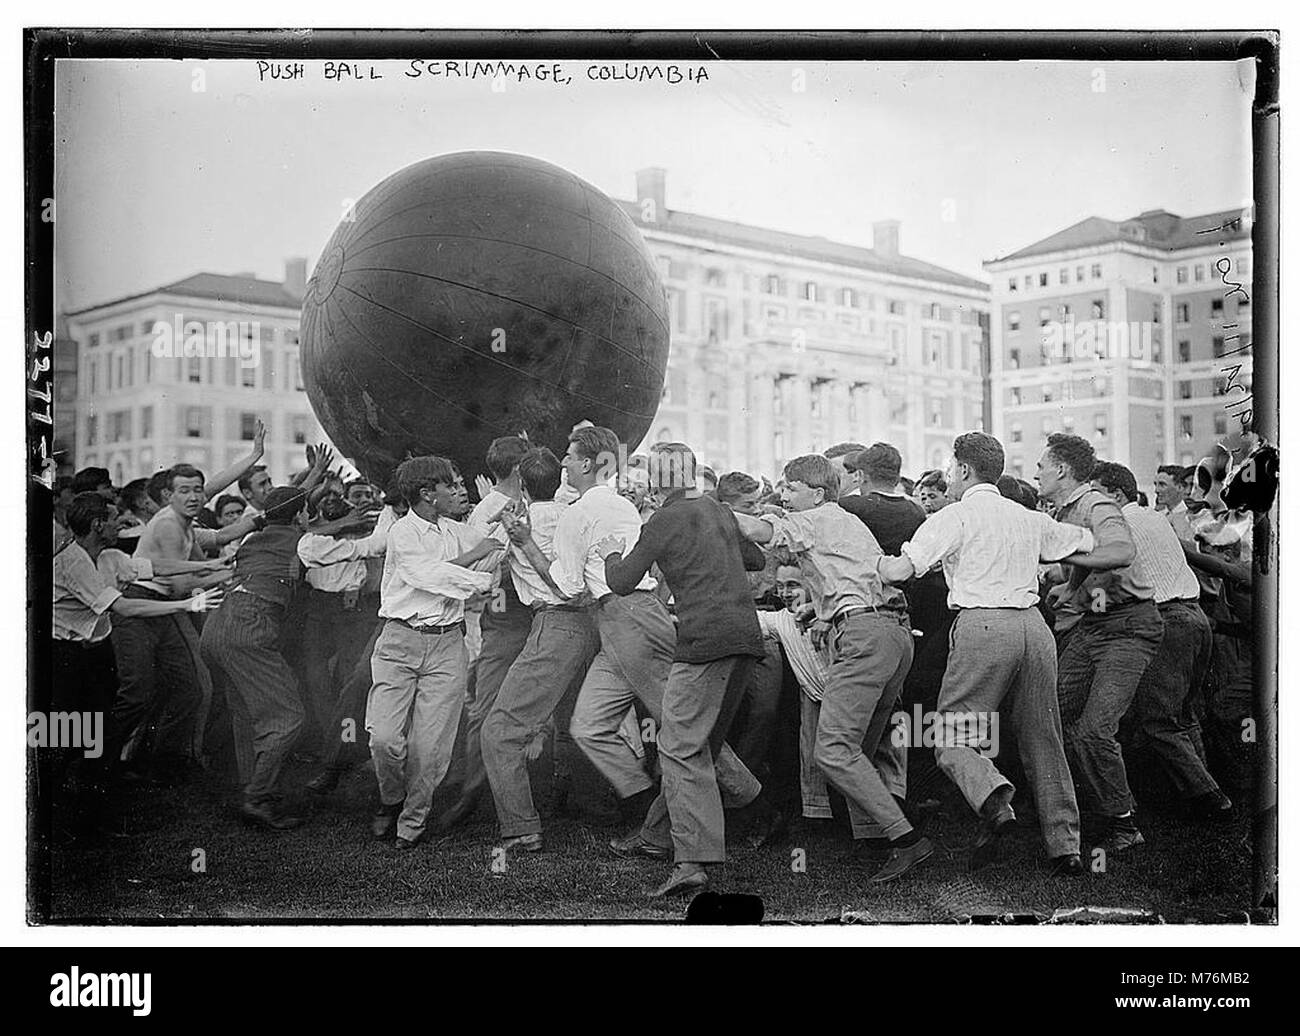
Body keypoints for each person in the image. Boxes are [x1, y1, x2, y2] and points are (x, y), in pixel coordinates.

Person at [877, 432, 1095, 875]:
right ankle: (1066, 846)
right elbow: (1086, 543)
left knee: (951, 738)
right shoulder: (1027, 515)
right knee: (1043, 736)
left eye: (948, 468)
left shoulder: (955, 515)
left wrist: (872, 563)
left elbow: (901, 570)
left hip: (984, 624)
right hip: (1034, 627)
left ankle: (995, 797)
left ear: (961, 470)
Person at [733, 454, 926, 883]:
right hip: (892, 632)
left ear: (817, 493)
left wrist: (713, 509)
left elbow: (761, 530)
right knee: (859, 750)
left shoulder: (816, 518)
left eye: (791, 486)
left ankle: (907, 842)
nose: (783, 494)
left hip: (864, 636)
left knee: (834, 751)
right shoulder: (845, 521)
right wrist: (821, 612)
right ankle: (873, 840)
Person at [596, 441, 766, 897]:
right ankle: (656, 836)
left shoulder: (662, 519)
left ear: (658, 479)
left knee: (679, 748)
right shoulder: (716, 510)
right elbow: (758, 560)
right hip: (745, 640)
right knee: (700, 745)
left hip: (703, 643)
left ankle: (693, 860)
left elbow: (622, 581)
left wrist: (612, 551)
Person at [504, 426, 676, 827]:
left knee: (680, 725)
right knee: (588, 726)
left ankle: (747, 801)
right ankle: (643, 806)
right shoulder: (621, 506)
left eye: (569, 454)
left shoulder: (578, 513)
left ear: (585, 463)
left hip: (627, 618)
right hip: (623, 619)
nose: (562, 461)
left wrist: (527, 541)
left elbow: (566, 587)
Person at [200, 487, 378, 829]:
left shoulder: (256, 538)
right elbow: (331, 541)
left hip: (219, 624)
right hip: (247, 625)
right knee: (288, 716)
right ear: (299, 516)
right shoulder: (301, 539)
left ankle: (253, 786)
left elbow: (303, 529)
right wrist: (352, 524)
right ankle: (257, 797)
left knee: (246, 712)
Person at [50, 493, 226, 831]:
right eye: (115, 519)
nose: (123, 524)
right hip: (64, 657)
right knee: (70, 736)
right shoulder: (73, 561)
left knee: (92, 732)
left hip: (91, 652)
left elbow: (156, 567)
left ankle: (87, 808)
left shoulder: (110, 555)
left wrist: (209, 565)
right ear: (98, 524)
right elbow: (126, 608)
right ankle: (64, 809)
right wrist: (186, 607)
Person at [366, 456, 504, 849]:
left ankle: (412, 821)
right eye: (453, 486)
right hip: (399, 641)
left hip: (447, 645)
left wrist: (504, 533)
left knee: (430, 748)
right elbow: (426, 574)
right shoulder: (401, 532)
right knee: (384, 738)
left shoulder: (456, 531)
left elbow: (492, 548)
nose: (461, 491)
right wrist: (478, 577)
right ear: (428, 494)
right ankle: (391, 799)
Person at [1037, 433, 1163, 853]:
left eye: (1041, 466)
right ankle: (1085, 806)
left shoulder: (1097, 504)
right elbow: (1084, 558)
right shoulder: (1068, 509)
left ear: (1060, 470)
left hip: (1129, 628)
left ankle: (1124, 825)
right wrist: (1068, 585)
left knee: (1094, 730)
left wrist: (1068, 566)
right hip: (1095, 627)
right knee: (1053, 711)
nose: (1036, 473)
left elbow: (1121, 551)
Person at [1089, 462, 1232, 819]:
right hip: (1195, 617)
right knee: (1184, 714)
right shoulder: (1152, 517)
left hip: (1169, 621)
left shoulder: (1120, 524)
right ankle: (1203, 790)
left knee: (1159, 720)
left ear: (1116, 495)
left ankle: (1211, 799)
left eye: (1095, 495)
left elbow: (1107, 579)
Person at [480, 446, 600, 853]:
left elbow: (477, 558)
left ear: (522, 486)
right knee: (574, 721)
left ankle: (522, 827)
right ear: (560, 479)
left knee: (500, 731)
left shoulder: (517, 522)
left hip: (555, 623)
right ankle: (596, 807)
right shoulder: (575, 514)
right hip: (590, 625)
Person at [113, 465, 260, 781]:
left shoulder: (185, 523)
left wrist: (252, 458)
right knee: (149, 690)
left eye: (198, 491)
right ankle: (110, 762)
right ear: (168, 496)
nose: (195, 497)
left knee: (189, 685)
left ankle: (161, 760)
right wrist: (230, 573)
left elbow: (215, 544)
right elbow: (183, 584)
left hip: (164, 607)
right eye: (185, 491)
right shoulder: (167, 525)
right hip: (143, 605)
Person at [435, 435, 534, 830]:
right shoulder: (488, 513)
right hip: (505, 617)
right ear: (516, 469)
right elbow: (474, 574)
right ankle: (472, 791)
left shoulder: (524, 502)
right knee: (488, 706)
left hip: (534, 615)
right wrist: (507, 563)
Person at [1154, 464, 1195, 541]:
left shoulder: (1192, 516)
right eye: (1155, 484)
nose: (1156, 490)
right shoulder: (1158, 516)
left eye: (1162, 484)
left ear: (1180, 487)